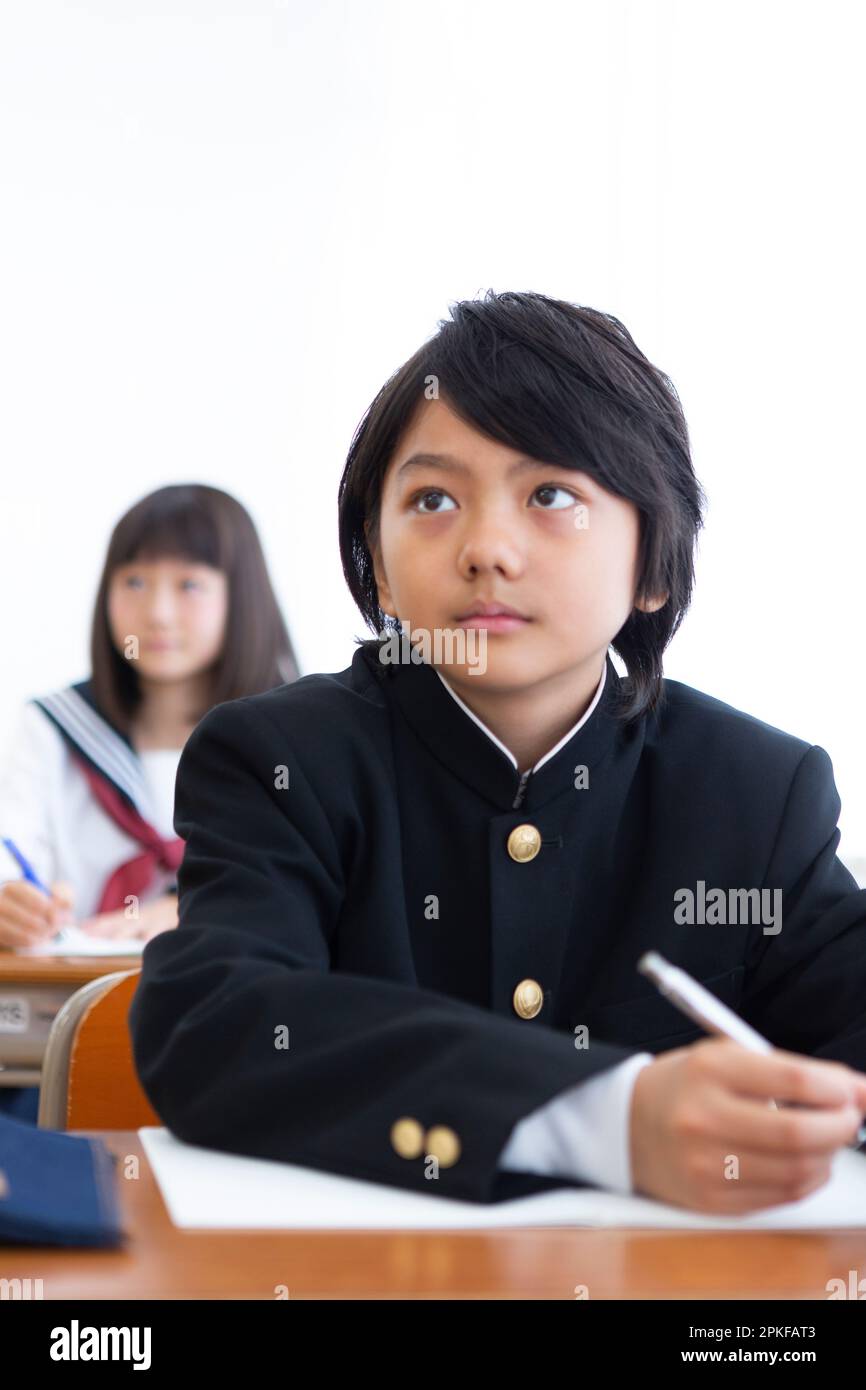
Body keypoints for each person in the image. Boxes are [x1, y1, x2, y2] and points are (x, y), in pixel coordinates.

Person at [130, 293, 866, 1214]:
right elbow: (215, 1024)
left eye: (552, 495)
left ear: (655, 565)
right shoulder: (281, 760)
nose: (486, 548)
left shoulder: (756, 790)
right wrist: (607, 1115)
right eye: (432, 499)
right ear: (380, 563)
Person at [0, 483, 298, 1120]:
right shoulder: (53, 730)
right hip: (61, 1035)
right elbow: (11, 850)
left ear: (240, 598)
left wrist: (191, 910)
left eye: (189, 585)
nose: (157, 613)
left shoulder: (298, 737)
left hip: (243, 1041)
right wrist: (12, 906)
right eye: (134, 583)